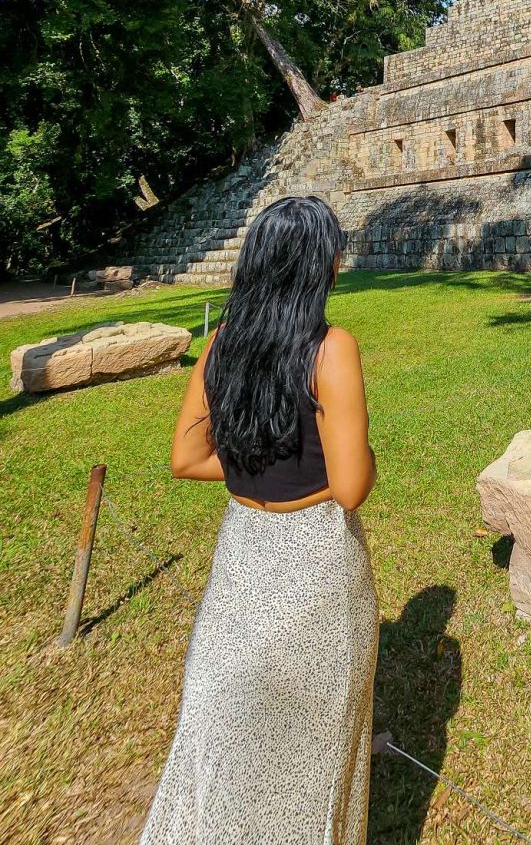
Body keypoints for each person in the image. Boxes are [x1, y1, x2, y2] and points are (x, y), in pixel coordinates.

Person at [140, 195, 378, 845]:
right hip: (315, 559)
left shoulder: (220, 345)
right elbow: (351, 486)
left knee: (227, 731)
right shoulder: (331, 350)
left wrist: (255, 461)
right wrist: (363, 456)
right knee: (318, 743)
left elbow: (187, 459)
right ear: (317, 266)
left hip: (242, 553)